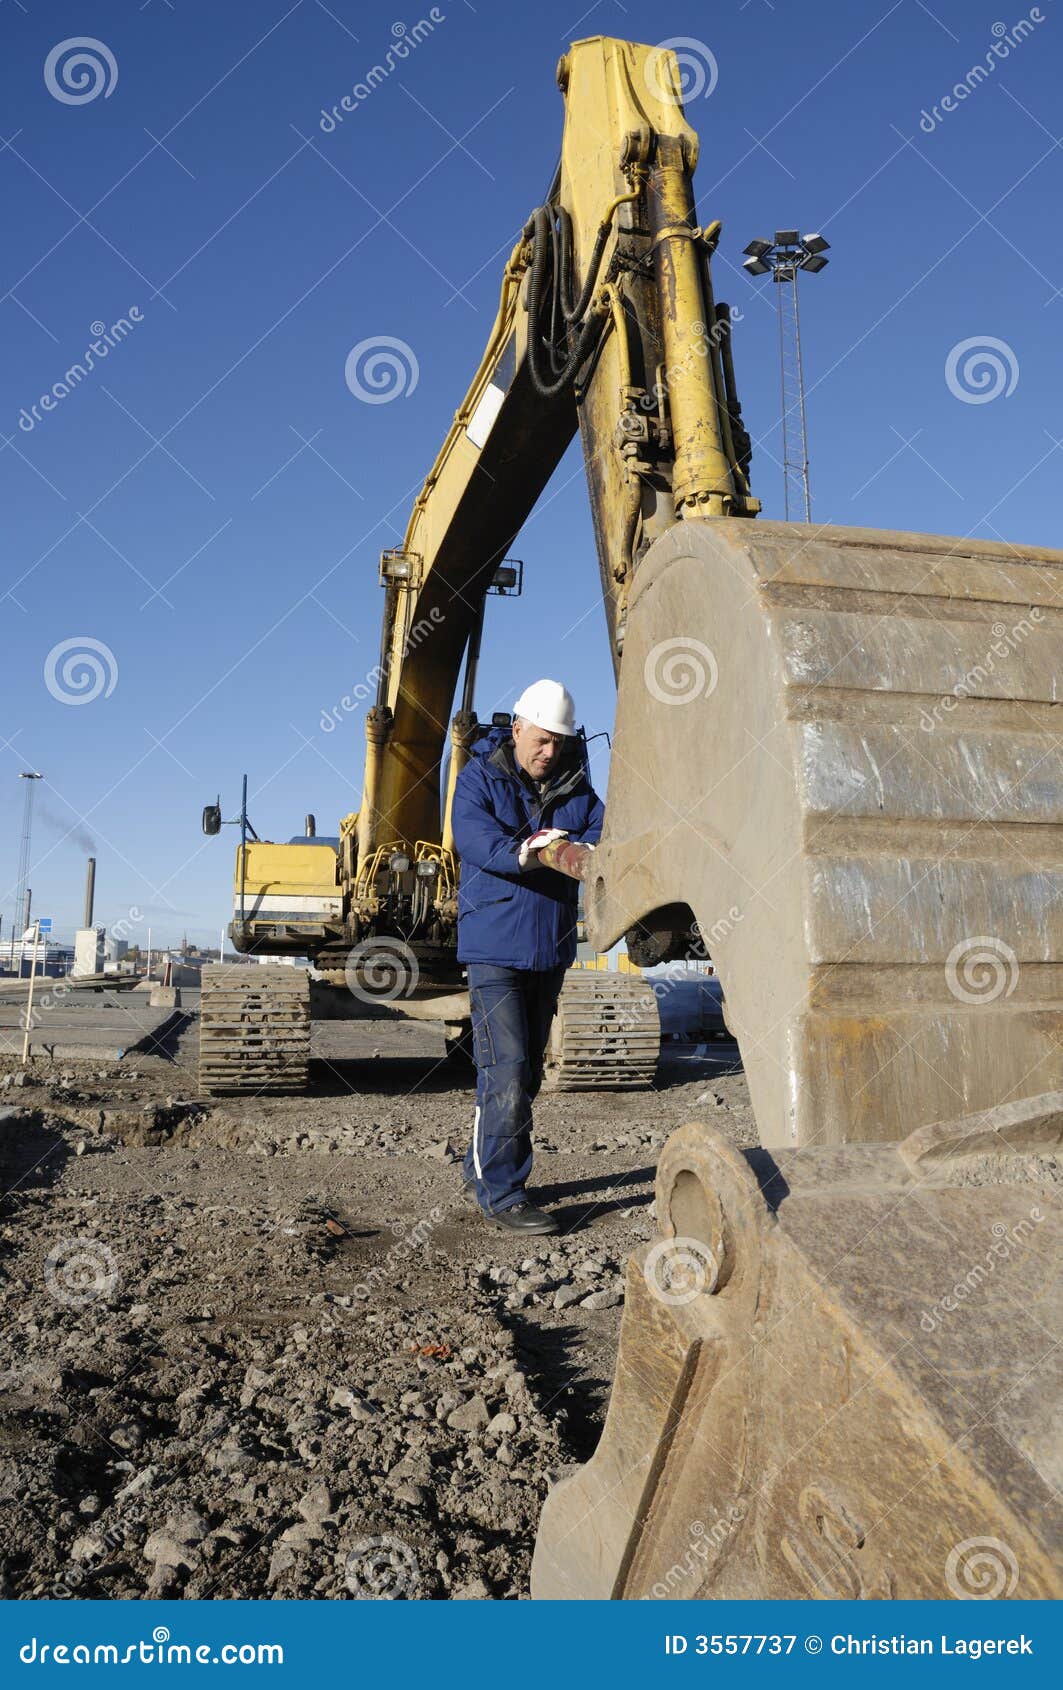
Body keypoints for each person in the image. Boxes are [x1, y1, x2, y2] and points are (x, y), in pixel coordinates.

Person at [450, 679, 604, 1233]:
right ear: (516, 729)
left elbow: (602, 833)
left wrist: (575, 846)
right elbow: (476, 841)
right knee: (508, 1069)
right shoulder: (478, 780)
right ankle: (504, 1193)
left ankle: (481, 1165)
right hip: (494, 949)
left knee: (524, 1074)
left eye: (558, 743)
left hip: (549, 947)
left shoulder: (576, 786)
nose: (549, 752)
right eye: (540, 740)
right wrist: (538, 849)